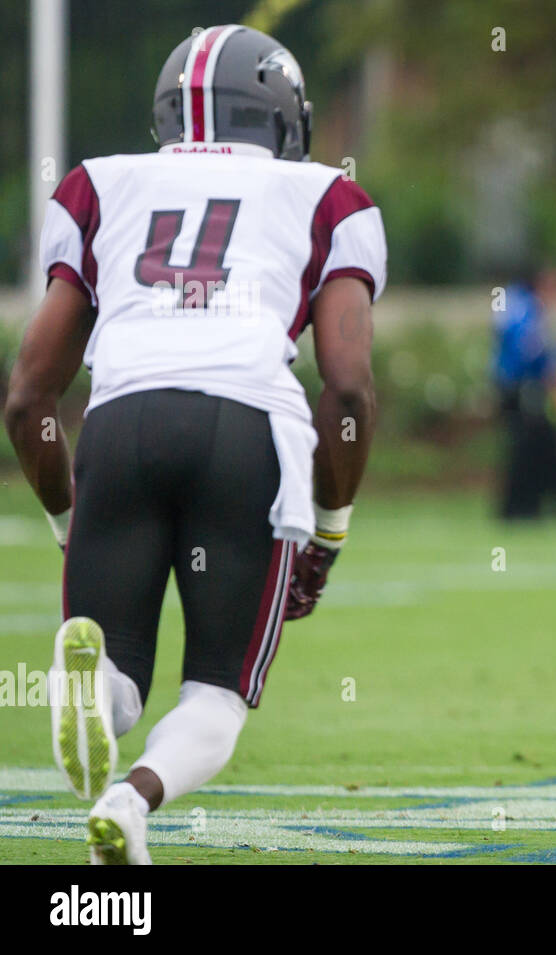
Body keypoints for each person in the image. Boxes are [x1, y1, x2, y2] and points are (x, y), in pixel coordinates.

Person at [3, 24, 386, 864]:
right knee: (216, 695)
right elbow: (349, 388)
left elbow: (29, 394)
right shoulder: (326, 197)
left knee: (119, 668)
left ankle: (92, 693)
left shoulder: (100, 184)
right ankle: (128, 803)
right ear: (284, 120)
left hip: (122, 416)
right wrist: (329, 527)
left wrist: (74, 520)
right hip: (246, 424)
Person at [492, 268, 556, 519]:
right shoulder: (530, 314)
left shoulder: (519, 306)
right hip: (521, 391)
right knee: (530, 448)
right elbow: (537, 357)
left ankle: (527, 508)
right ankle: (523, 508)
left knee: (535, 448)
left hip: (516, 389)